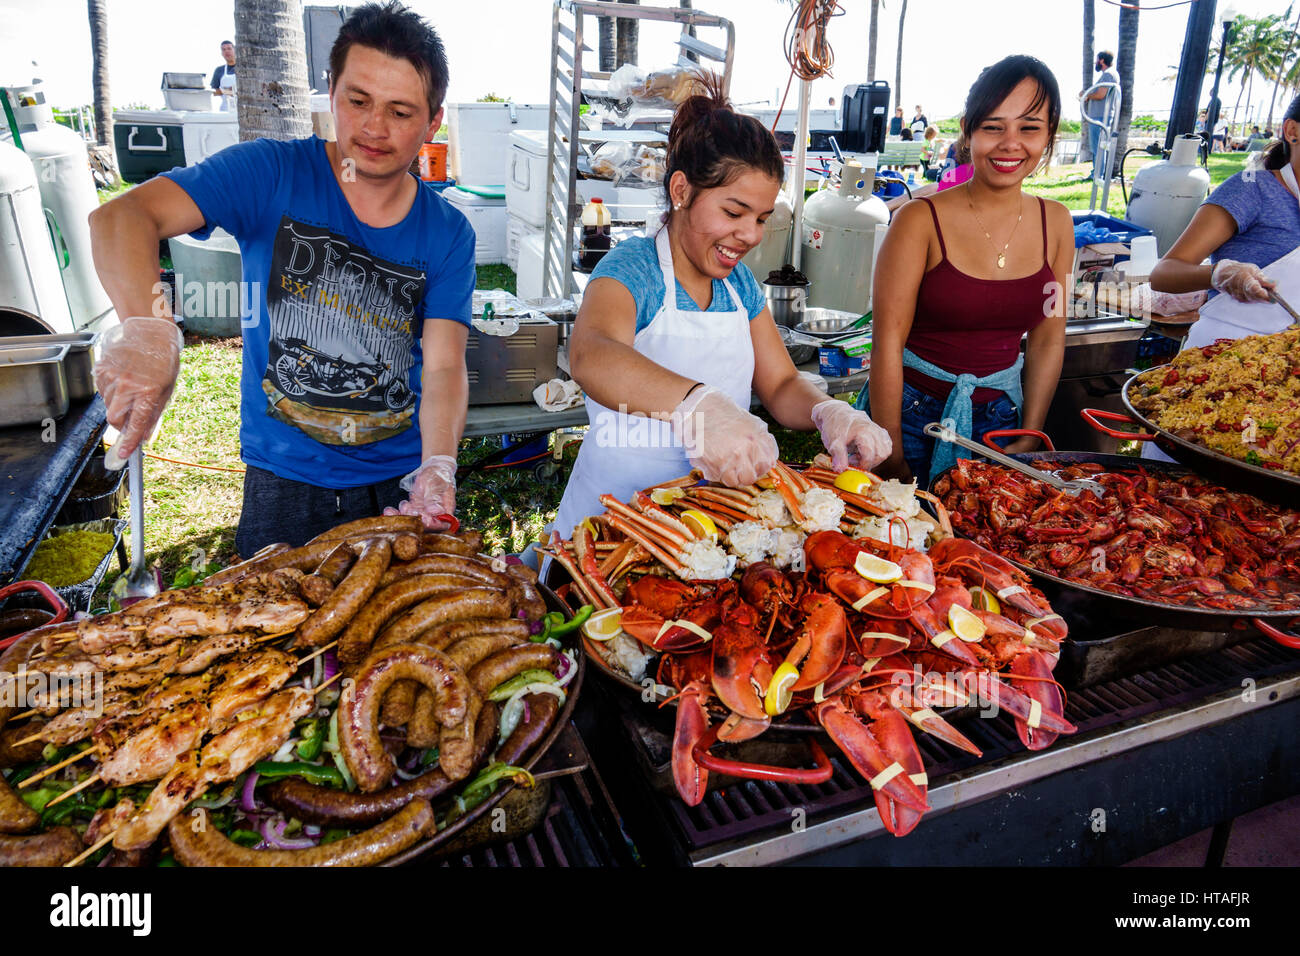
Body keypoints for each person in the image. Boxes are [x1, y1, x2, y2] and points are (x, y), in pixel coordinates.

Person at [90, 2, 476, 555]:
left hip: (398, 482)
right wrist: (148, 328)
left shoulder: (448, 233)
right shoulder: (269, 173)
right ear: (331, 90)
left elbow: (442, 365)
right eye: (358, 100)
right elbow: (120, 217)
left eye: (400, 112)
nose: (373, 128)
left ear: (433, 122)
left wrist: (437, 464)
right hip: (284, 478)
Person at [553, 75, 891, 536]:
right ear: (681, 191)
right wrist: (697, 405)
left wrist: (828, 413)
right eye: (733, 213)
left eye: (761, 218)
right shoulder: (633, 269)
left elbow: (782, 383)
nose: (751, 235)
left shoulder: (741, 287)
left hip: (712, 520)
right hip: (614, 520)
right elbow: (592, 354)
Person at [861, 54, 1074, 485]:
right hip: (909, 415)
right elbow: (886, 341)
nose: (1010, 143)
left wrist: (1031, 431)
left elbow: (1049, 337)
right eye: (993, 126)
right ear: (968, 130)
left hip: (1002, 420)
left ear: (1049, 135)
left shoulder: (1058, 223)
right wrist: (890, 452)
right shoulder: (918, 220)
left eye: (1029, 128)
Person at [1150, 94, 1300, 350]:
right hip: (1224, 357)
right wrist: (1220, 274)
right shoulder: (1252, 188)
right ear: (1292, 131)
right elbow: (1163, 274)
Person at [1080, 50, 1119, 177]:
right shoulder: (1108, 74)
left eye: (1097, 59)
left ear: (1102, 60)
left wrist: (1087, 95)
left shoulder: (1108, 74)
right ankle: (1097, 173)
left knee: (1098, 147)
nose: (1095, 62)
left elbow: (1101, 94)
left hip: (1101, 116)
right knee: (1099, 146)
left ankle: (1097, 175)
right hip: (1100, 115)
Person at [210, 40, 237, 112]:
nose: (226, 51)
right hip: (225, 111)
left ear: (235, 50)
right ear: (221, 53)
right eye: (223, 49)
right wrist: (228, 91)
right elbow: (213, 92)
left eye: (229, 48)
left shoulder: (245, 68)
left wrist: (234, 90)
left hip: (244, 111)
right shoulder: (219, 70)